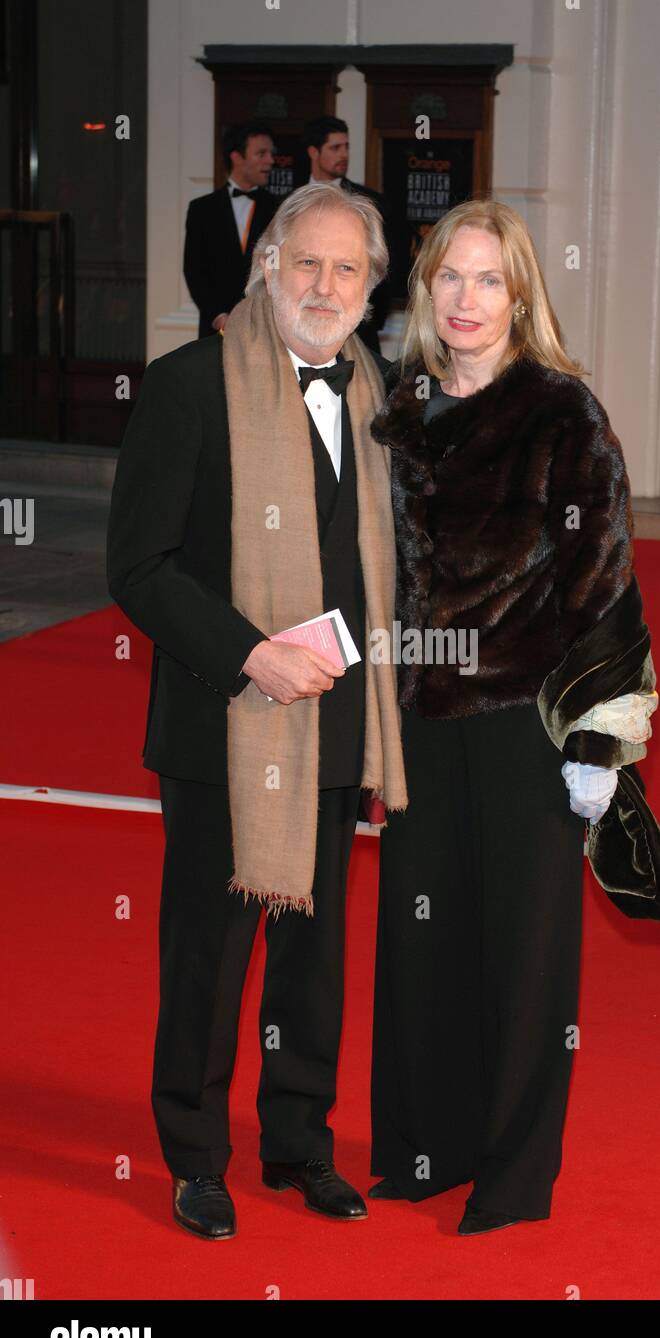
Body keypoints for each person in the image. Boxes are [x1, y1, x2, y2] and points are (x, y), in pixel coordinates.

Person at [107, 182, 407, 1241]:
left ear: (370, 292)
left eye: (348, 269)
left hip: (333, 723)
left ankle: (298, 1141)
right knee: (209, 948)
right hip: (219, 723)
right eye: (307, 261)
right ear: (266, 265)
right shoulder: (188, 387)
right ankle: (194, 1152)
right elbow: (137, 566)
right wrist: (250, 656)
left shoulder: (380, 399)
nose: (325, 285)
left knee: (310, 951)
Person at [367, 199, 660, 1235]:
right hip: (417, 718)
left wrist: (599, 744)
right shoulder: (397, 410)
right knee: (420, 941)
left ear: (519, 295)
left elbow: (603, 587)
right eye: (449, 276)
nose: (465, 299)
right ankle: (422, 1147)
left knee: (525, 953)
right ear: (425, 288)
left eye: (487, 279)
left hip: (526, 726)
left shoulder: (559, 413)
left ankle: (511, 1173)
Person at [298, 115, 393, 352]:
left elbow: (386, 265)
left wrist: (368, 317)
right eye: (335, 148)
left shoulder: (371, 203)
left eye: (347, 147)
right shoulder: (288, 203)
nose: (344, 155)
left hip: (357, 331)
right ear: (313, 152)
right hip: (297, 329)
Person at [183, 121, 280, 338]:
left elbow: (281, 270)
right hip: (216, 332)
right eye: (261, 154)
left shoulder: (280, 209)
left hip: (267, 330)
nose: (270, 161)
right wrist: (218, 316)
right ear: (237, 157)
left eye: (270, 154)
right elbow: (194, 271)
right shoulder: (201, 209)